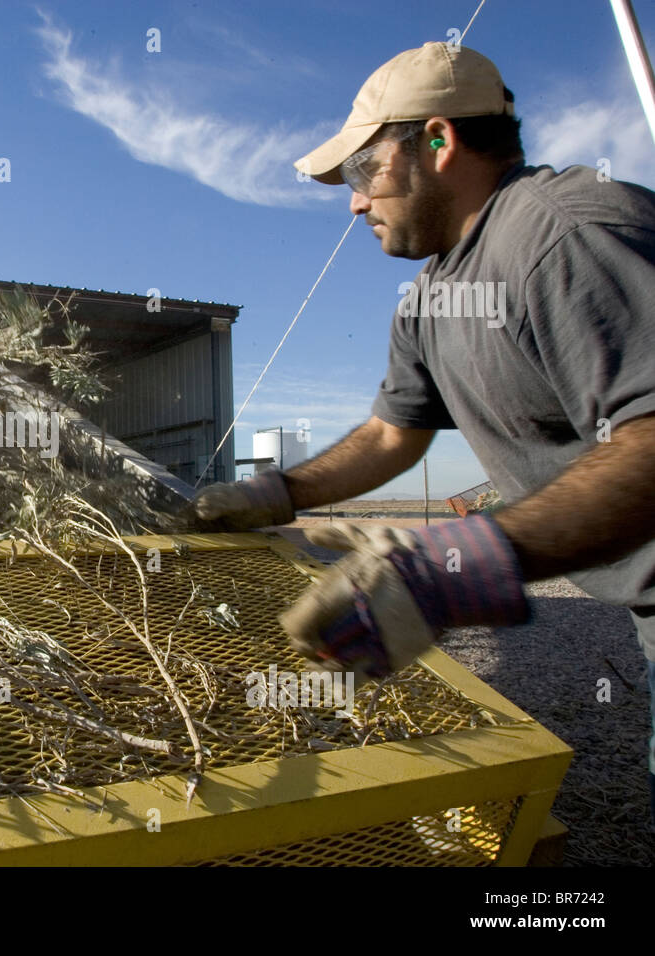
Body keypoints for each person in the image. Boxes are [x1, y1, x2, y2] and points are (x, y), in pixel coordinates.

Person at [187, 41, 655, 825]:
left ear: (438, 142)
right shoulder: (431, 296)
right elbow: (390, 435)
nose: (353, 202)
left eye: (364, 172)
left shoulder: (565, 234)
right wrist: (272, 493)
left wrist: (454, 568)